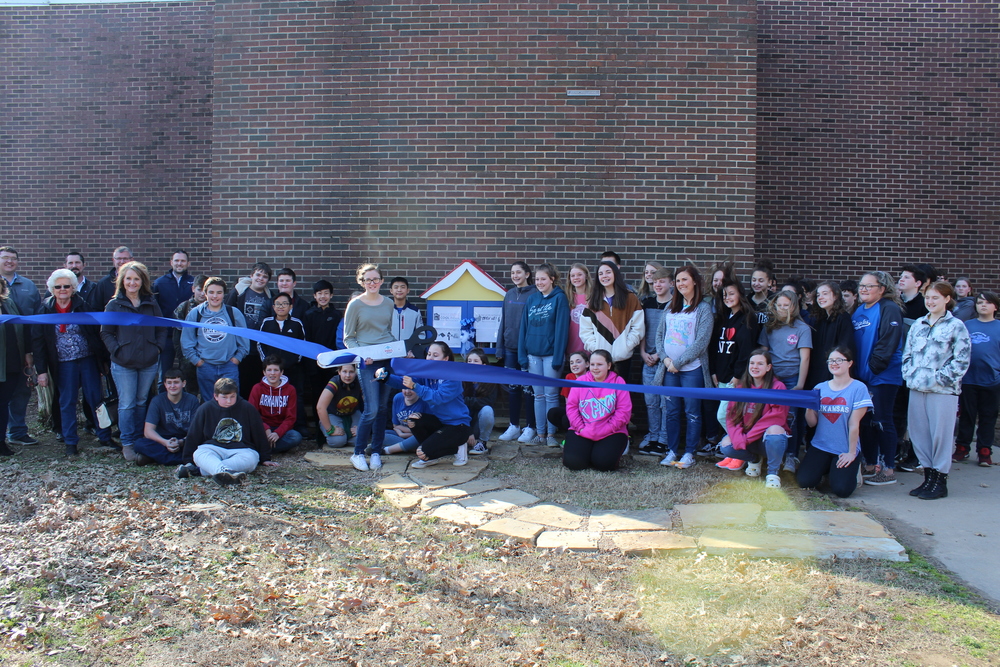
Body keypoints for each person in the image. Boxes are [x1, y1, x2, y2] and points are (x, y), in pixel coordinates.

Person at [32, 269, 114, 455]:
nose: (62, 289)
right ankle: (70, 442)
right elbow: (38, 342)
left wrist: (102, 362)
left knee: (96, 399)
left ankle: (105, 436)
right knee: (67, 401)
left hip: (87, 360)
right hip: (63, 363)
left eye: (66, 286)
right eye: (58, 286)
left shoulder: (83, 306)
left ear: (73, 288)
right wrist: (41, 370)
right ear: (52, 289)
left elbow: (95, 335)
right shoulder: (44, 309)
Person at [902, 281, 971, 500]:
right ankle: (928, 477)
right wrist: (911, 375)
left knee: (940, 436)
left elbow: (961, 360)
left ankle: (940, 480)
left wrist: (939, 378)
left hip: (942, 391)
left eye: (935, 298)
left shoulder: (956, 326)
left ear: (947, 300)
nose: (930, 302)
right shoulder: (918, 324)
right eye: (928, 298)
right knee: (919, 434)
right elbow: (907, 355)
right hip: (917, 388)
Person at [101, 261, 167, 461]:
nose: (132, 282)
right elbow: (106, 333)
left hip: (148, 361)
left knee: (141, 402)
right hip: (123, 364)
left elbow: (162, 328)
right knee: (127, 404)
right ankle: (127, 442)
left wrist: (157, 348)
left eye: (136, 279)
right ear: (122, 281)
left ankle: (140, 439)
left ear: (142, 281)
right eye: (128, 278)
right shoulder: (114, 305)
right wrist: (118, 351)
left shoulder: (151, 303)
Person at [654, 265, 713, 469]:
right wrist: (665, 360)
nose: (681, 284)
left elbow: (701, 342)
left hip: (692, 370)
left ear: (694, 281)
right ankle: (672, 451)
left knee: (692, 412)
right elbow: (659, 336)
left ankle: (689, 453)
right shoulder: (670, 307)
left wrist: (677, 363)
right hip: (669, 369)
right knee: (671, 411)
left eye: (684, 280)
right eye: (678, 281)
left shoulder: (703, 309)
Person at [851, 271, 904, 486]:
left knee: (882, 420)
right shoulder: (859, 311)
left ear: (882, 289)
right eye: (861, 286)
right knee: (866, 422)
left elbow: (887, 343)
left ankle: (888, 469)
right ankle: (871, 464)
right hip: (863, 377)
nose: (863, 289)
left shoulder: (889, 308)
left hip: (882, 377)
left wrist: (873, 369)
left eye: (869, 286)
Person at [797, 346, 872, 498]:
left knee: (842, 490)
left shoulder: (858, 388)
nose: (834, 363)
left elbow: (854, 424)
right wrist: (809, 409)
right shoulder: (820, 388)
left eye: (839, 360)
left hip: (844, 448)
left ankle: (852, 469)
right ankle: (827, 469)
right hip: (821, 445)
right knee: (804, 482)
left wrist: (851, 453)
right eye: (831, 360)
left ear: (850, 363)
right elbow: (812, 423)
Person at [343, 264, 396, 471]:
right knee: (371, 408)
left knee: (383, 408)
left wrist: (397, 350)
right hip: (366, 363)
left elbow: (387, 332)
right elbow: (348, 338)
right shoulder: (355, 305)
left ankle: (375, 451)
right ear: (362, 282)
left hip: (386, 361)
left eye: (376, 279)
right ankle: (357, 453)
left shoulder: (389, 303)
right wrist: (365, 355)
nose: (372, 283)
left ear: (382, 281)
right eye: (368, 280)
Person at [177, 377, 277, 486]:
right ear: (215, 396)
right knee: (199, 454)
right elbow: (193, 435)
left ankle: (200, 471)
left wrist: (265, 458)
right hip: (213, 448)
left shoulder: (247, 408)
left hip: (241, 449)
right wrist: (188, 460)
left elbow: (258, 434)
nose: (229, 401)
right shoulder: (205, 409)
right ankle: (226, 473)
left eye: (232, 397)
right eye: (224, 397)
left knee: (252, 460)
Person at [390, 341, 473, 468]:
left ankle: (458, 447)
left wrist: (415, 386)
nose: (430, 358)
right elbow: (404, 382)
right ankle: (430, 456)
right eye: (429, 354)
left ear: (445, 359)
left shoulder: (452, 377)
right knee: (413, 419)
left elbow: (437, 397)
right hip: (440, 423)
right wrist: (385, 377)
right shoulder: (426, 374)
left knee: (422, 452)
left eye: (435, 355)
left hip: (458, 426)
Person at [715, 349, 790, 487]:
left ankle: (773, 473)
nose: (755, 367)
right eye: (752, 363)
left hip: (765, 440)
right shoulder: (741, 387)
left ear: (768, 367)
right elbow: (731, 417)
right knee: (726, 445)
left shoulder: (778, 387)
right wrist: (738, 438)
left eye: (760, 364)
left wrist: (746, 439)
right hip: (747, 440)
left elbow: (776, 418)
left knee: (776, 430)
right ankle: (754, 460)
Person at [757, 289, 812, 473]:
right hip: (772, 379)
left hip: (791, 379)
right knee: (767, 416)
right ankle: (766, 455)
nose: (782, 309)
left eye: (786, 306)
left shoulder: (802, 328)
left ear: (794, 306)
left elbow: (805, 358)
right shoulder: (770, 326)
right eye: (779, 305)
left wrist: (800, 385)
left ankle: (791, 456)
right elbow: (763, 353)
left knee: (791, 418)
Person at [519, 263, 570, 447]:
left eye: (543, 279)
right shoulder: (532, 299)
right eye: (537, 279)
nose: (539, 282)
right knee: (538, 395)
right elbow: (523, 328)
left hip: (551, 356)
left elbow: (562, 329)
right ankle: (540, 434)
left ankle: (551, 435)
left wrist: (558, 357)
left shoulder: (559, 299)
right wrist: (522, 355)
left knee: (551, 395)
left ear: (552, 279)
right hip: (533, 355)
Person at [181, 277, 250, 402]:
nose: (215, 296)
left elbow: (244, 341)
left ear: (224, 294)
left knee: (231, 402)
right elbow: (186, 342)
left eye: (219, 292)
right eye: (211, 292)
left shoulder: (233, 313)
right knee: (209, 404)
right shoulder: (195, 314)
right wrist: (197, 361)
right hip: (205, 367)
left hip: (229, 366)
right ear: (205, 293)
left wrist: (236, 359)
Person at [563, 349, 632, 472]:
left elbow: (624, 411)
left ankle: (599, 453)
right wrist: (581, 428)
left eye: (600, 364)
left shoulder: (618, 382)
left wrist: (606, 429)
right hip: (583, 429)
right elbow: (572, 407)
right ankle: (588, 452)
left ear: (609, 365)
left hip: (611, 431)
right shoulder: (580, 382)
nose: (595, 368)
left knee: (604, 464)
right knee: (573, 463)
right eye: (593, 364)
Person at [0, 246, 40, 448]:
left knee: (21, 391)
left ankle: (17, 432)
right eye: (5, 258)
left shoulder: (29, 286)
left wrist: (29, 351)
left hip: (20, 350)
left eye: (13, 258)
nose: (9, 261)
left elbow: (36, 319)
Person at [955, 291, 1000, 466]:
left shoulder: (998, 327)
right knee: (966, 416)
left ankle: (984, 451)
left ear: (995, 306)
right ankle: (962, 448)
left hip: (992, 380)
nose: (983, 305)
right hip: (968, 379)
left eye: (987, 303)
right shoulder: (968, 325)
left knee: (988, 416)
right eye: (980, 302)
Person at [579, 260, 644, 380]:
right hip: (600, 361)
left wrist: (626, 347)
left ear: (615, 274)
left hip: (623, 359)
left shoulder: (630, 298)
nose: (604, 276)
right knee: (602, 396)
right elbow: (585, 330)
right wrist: (596, 348)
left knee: (621, 395)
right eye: (601, 273)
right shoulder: (592, 300)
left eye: (608, 272)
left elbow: (638, 327)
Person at [709, 278, 758, 433]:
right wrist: (713, 371)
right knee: (732, 416)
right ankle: (737, 448)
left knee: (723, 416)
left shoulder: (748, 318)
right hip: (721, 376)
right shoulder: (722, 319)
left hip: (736, 378)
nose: (728, 298)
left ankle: (742, 447)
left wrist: (738, 375)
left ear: (740, 295)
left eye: (731, 294)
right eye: (724, 295)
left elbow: (746, 350)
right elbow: (714, 348)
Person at [496, 261, 538, 443]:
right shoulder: (509, 294)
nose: (515, 276)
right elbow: (503, 321)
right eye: (512, 272)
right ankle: (514, 426)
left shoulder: (536, 294)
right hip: (510, 348)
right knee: (513, 389)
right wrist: (500, 346)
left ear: (527, 274)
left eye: (518, 272)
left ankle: (531, 427)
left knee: (529, 389)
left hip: (528, 349)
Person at [257, 291, 307, 427]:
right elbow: (260, 343)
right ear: (273, 307)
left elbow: (302, 344)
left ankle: (299, 426)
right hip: (272, 370)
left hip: (292, 368)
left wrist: (295, 360)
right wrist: (266, 361)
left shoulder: (297, 324)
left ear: (291, 306)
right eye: (278, 304)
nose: (281, 307)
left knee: (297, 396)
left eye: (285, 303)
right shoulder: (267, 323)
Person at [637, 267, 672, 456]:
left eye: (663, 281)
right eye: (656, 281)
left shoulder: (675, 305)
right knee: (650, 402)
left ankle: (664, 440)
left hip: (665, 361)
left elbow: (674, 335)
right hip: (647, 359)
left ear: (671, 283)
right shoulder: (647, 303)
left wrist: (660, 354)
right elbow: (643, 330)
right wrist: (642, 352)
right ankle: (653, 435)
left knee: (664, 403)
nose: (658, 284)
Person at [134, 369, 200, 467]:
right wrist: (165, 443)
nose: (172, 386)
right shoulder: (157, 401)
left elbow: (196, 430)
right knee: (139, 443)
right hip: (163, 440)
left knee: (203, 443)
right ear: (165, 384)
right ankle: (185, 459)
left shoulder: (192, 400)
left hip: (185, 439)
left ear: (183, 383)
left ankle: (153, 458)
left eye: (176, 382)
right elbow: (148, 431)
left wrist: (181, 442)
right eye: (169, 383)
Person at [225, 261, 273, 398]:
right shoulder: (239, 293)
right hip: (239, 346)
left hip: (258, 348)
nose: (260, 279)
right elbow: (227, 313)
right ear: (251, 275)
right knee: (240, 381)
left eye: (264, 277)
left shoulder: (270, 297)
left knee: (256, 382)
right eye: (258, 275)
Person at [303, 279, 342, 443]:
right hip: (315, 364)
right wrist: (312, 363)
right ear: (315, 296)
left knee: (333, 396)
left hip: (332, 364)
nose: (323, 296)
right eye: (320, 293)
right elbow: (307, 340)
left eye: (326, 293)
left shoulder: (336, 315)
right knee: (317, 397)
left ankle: (332, 429)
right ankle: (319, 434)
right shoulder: (309, 314)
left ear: (331, 295)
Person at [805, 281, 856, 389]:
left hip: (833, 372)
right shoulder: (818, 319)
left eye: (825, 293)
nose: (820, 297)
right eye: (818, 295)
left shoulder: (843, 318)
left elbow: (845, 347)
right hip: (816, 371)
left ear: (836, 296)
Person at [249, 355, 303, 454]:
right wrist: (266, 429)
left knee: (296, 437)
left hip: (281, 429)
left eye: (276, 370)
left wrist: (277, 433)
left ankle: (263, 449)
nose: (272, 373)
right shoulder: (257, 388)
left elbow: (291, 418)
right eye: (269, 370)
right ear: (264, 372)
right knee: (247, 434)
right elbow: (252, 414)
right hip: (262, 427)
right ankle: (270, 447)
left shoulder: (290, 389)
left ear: (281, 372)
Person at [0, 276, 30, 457]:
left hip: (10, 363)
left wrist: (27, 354)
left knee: (3, 404)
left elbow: (22, 328)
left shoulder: (9, 303)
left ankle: (1, 441)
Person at [152, 250, 195, 376]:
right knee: (163, 373)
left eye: (182, 261)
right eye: (176, 260)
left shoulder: (193, 283)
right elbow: (155, 309)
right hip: (166, 336)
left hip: (188, 335)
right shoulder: (159, 283)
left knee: (188, 372)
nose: (179, 264)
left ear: (188, 263)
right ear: (171, 262)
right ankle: (163, 395)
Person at [172, 274, 208, 395]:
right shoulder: (183, 308)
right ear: (193, 289)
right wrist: (183, 358)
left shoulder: (214, 308)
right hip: (189, 358)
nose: (202, 294)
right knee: (190, 391)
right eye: (199, 289)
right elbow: (177, 338)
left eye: (205, 290)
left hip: (208, 356)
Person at [316, 363, 363, 449]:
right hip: (334, 414)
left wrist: (362, 427)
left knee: (360, 439)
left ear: (356, 372)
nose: (348, 375)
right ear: (339, 372)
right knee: (337, 441)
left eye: (351, 372)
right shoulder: (334, 382)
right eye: (344, 371)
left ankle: (347, 434)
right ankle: (340, 434)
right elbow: (320, 407)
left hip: (353, 413)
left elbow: (370, 405)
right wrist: (330, 429)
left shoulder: (360, 382)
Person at [462, 348, 498, 455]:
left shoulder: (490, 381)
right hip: (463, 421)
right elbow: (459, 403)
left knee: (487, 410)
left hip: (479, 421)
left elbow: (487, 402)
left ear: (483, 364)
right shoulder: (461, 379)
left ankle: (482, 443)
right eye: (469, 361)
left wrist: (467, 400)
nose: (472, 363)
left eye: (476, 361)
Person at [548, 350, 589, 437]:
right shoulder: (569, 377)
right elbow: (568, 402)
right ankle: (571, 435)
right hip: (574, 409)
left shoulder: (591, 377)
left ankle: (574, 437)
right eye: (571, 362)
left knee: (566, 419)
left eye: (578, 362)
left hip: (588, 410)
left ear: (587, 364)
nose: (574, 365)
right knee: (553, 413)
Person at [382, 385, 427, 454]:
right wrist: (401, 434)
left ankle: (387, 450)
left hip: (418, 437)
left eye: (411, 389)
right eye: (404, 388)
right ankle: (410, 448)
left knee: (418, 439)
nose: (407, 392)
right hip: (406, 434)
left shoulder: (424, 401)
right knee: (381, 434)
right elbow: (395, 425)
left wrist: (402, 434)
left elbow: (424, 432)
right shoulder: (398, 398)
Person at [91, 245, 133, 311]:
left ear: (132, 260)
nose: (122, 262)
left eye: (125, 258)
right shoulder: (103, 283)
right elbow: (96, 308)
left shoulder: (138, 282)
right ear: (113, 260)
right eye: (119, 258)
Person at [388, 277, 423, 356]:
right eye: (396, 287)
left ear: (408, 290)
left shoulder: (415, 311)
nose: (399, 290)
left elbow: (421, 334)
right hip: (389, 352)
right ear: (391, 291)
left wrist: (413, 350)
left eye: (402, 287)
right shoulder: (386, 310)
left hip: (409, 353)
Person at [564, 263, 592, 356]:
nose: (576, 278)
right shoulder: (567, 297)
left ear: (586, 276)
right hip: (571, 346)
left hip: (590, 347)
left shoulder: (594, 296)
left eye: (579, 274)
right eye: (572, 275)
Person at [749, 259, 776, 325]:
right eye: (754, 280)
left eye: (761, 281)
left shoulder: (775, 301)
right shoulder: (746, 302)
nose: (756, 283)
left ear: (769, 282)